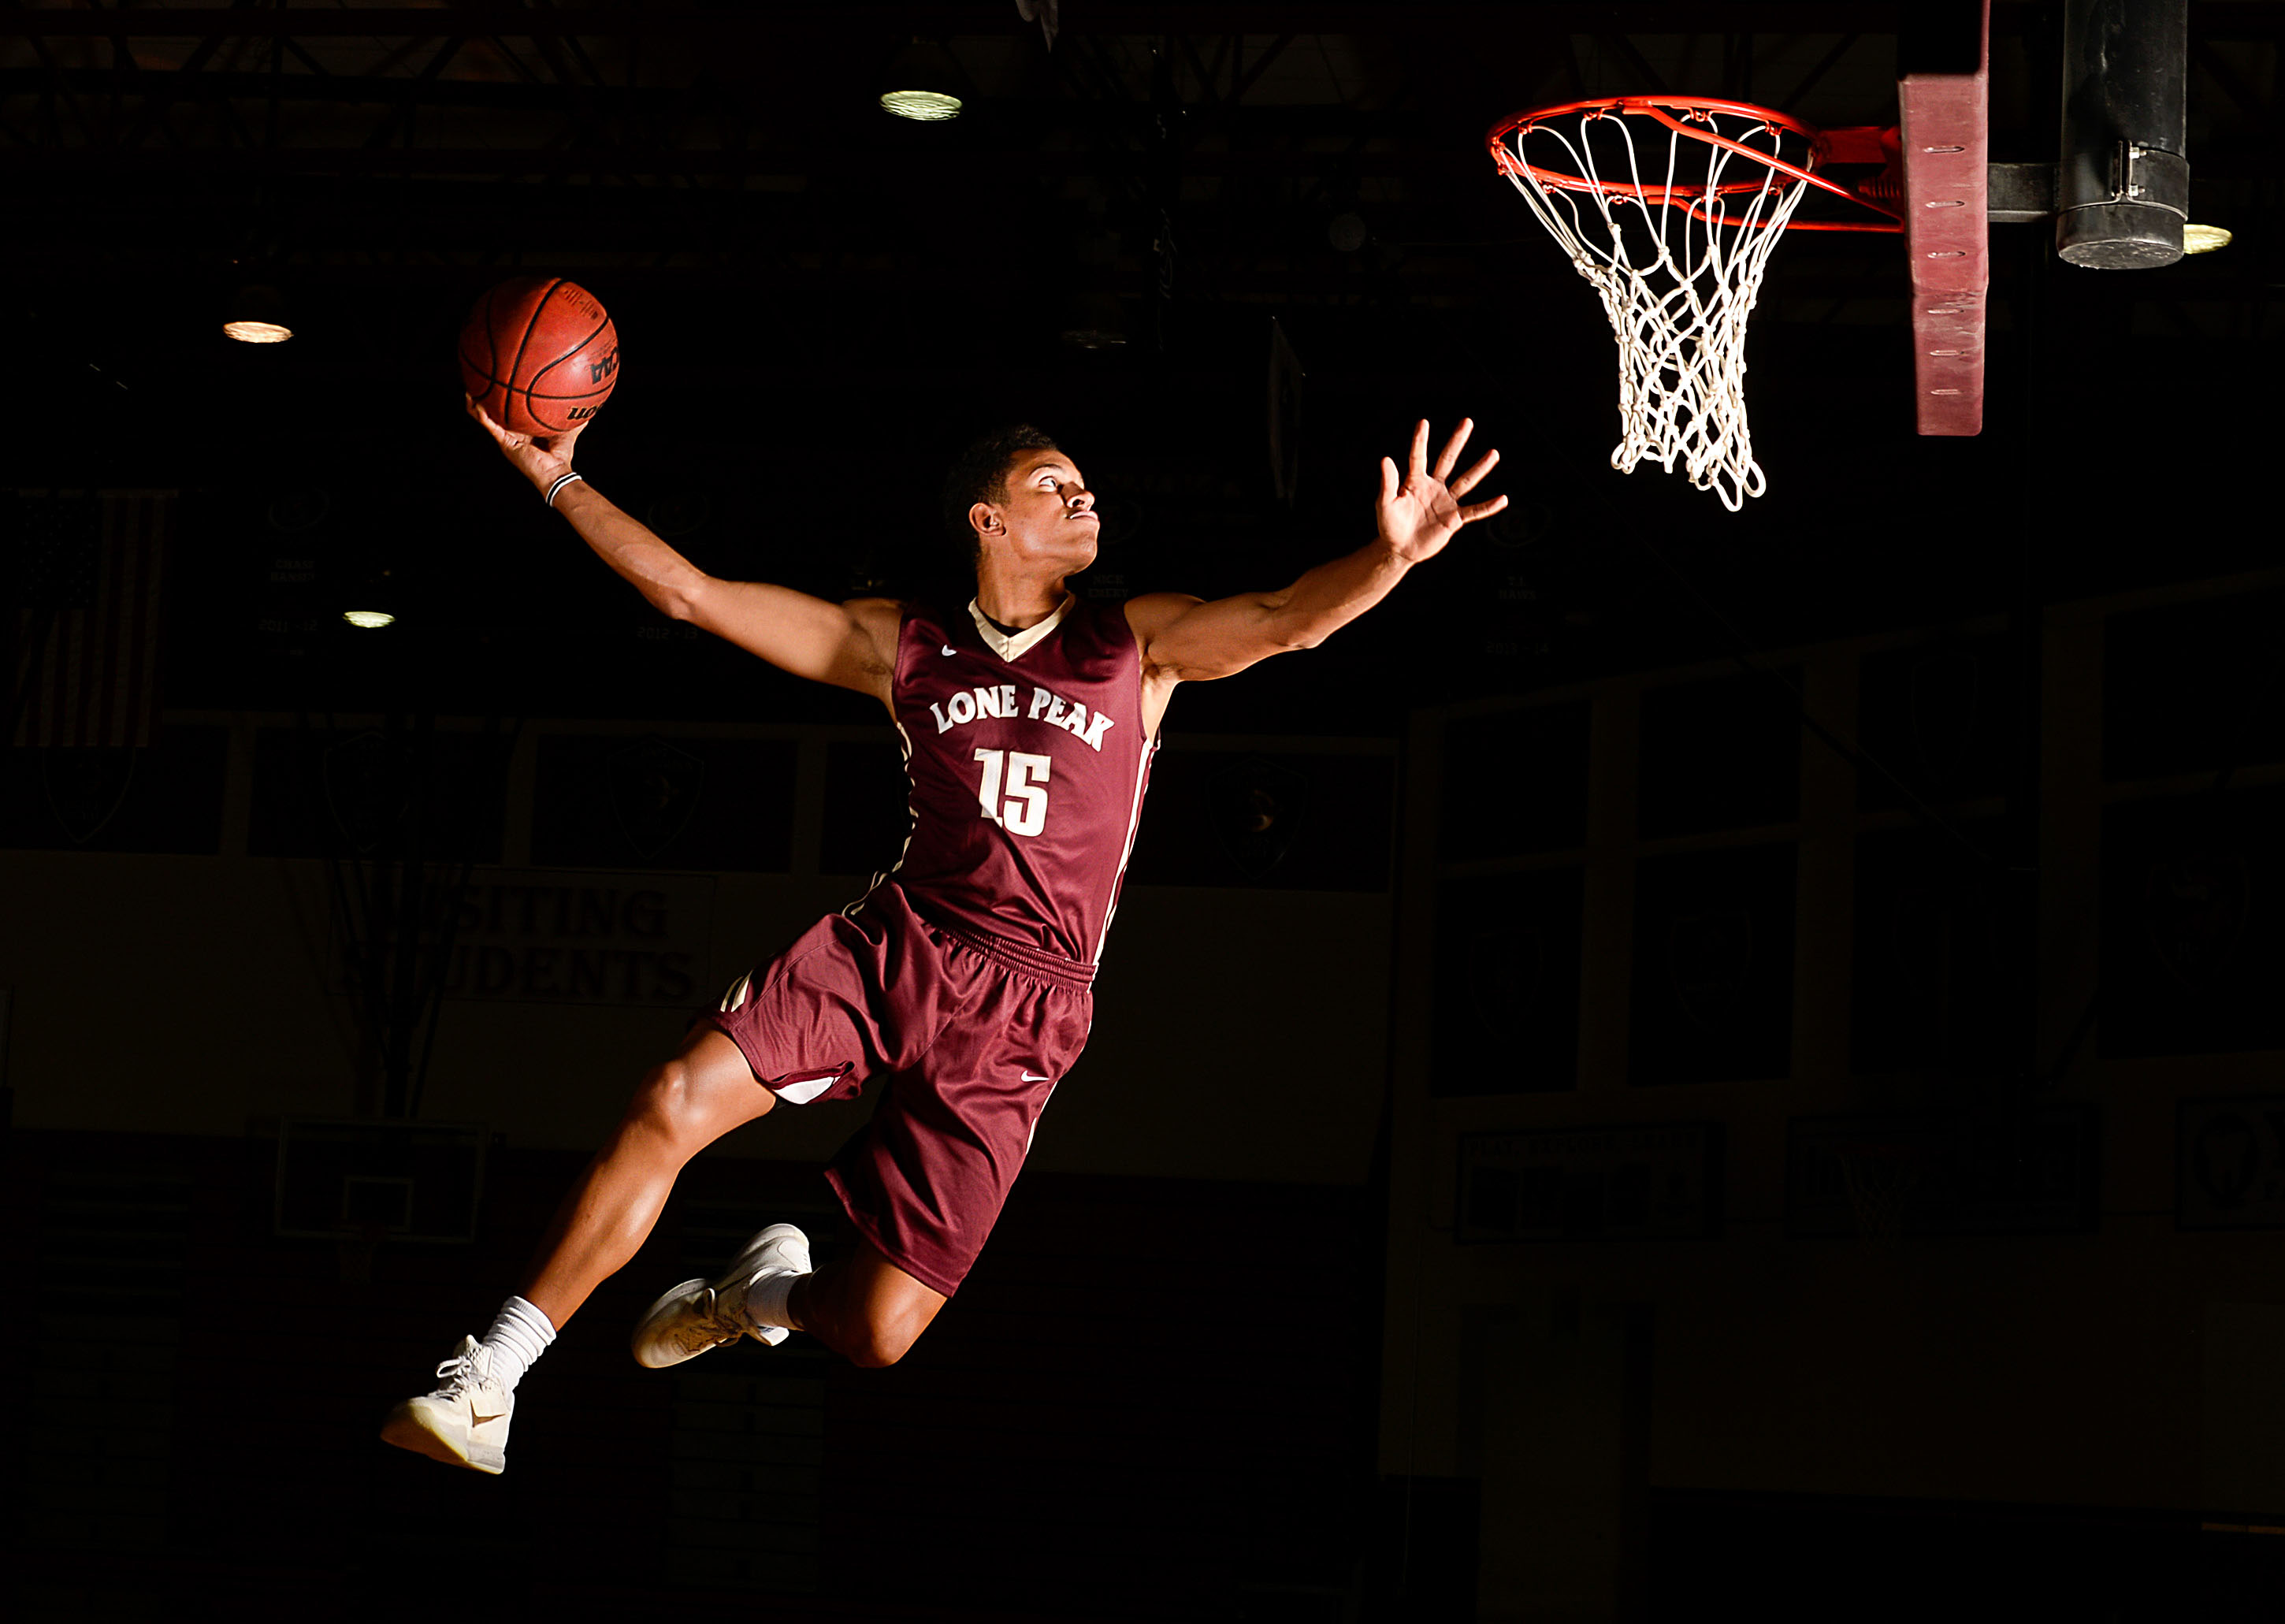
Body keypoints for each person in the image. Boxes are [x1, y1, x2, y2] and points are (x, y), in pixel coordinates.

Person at [382, 400, 1506, 1474]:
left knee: (876, 1329)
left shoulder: (1135, 646)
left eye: (1087, 484)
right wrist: (557, 475)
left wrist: (1391, 559)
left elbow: (1286, 621)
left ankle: (759, 1296)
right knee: (674, 1097)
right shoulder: (903, 645)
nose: (1085, 497)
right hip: (899, 941)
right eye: (1052, 484)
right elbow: (691, 595)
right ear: (990, 519)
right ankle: (492, 1377)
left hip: (1030, 1007)